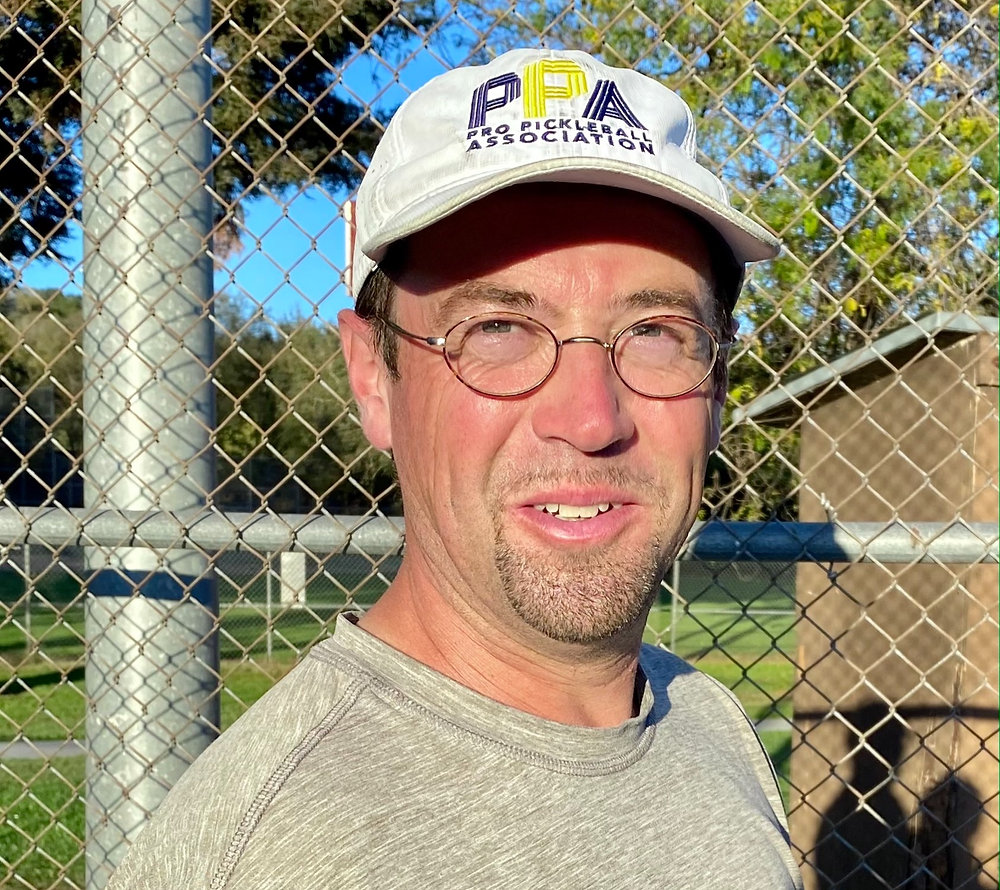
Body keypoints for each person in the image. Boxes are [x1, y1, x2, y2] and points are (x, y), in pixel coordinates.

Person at [108, 48, 803, 889]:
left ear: (717, 382)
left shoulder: (704, 719)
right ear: (374, 379)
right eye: (497, 329)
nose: (591, 419)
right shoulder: (267, 853)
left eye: (655, 332)